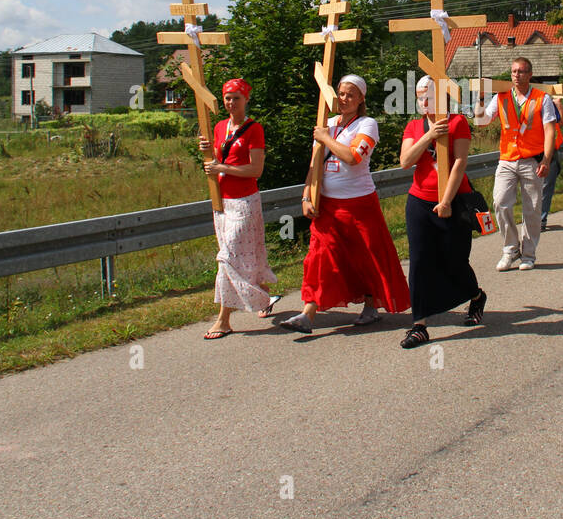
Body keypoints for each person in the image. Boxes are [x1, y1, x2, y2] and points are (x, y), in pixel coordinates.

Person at [283, 74, 409, 333]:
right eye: (341, 93)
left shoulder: (368, 124)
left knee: (367, 256)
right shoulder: (326, 123)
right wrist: (306, 195)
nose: (344, 98)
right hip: (327, 205)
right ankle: (308, 313)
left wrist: (325, 138)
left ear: (361, 98)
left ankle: (371, 305)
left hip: (360, 205)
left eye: (351, 94)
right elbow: (314, 164)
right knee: (319, 255)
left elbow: (353, 157)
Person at [397, 75, 486, 349]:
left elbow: (459, 163)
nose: (425, 101)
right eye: (420, 96)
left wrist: (446, 201)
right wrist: (429, 135)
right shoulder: (414, 127)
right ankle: (420, 325)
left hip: (453, 202)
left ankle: (475, 295)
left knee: (454, 260)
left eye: (430, 96)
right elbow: (405, 162)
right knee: (420, 262)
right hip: (419, 201)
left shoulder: (458, 122)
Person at [198, 78, 279, 339]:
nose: (231, 103)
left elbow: (256, 170)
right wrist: (207, 151)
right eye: (227, 98)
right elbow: (217, 158)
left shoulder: (254, 129)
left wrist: (222, 168)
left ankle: (224, 319)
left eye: (236, 98)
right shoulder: (220, 127)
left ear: (246, 100)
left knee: (229, 256)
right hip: (221, 202)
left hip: (244, 201)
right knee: (247, 249)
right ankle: (263, 295)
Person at [474, 56, 559, 271]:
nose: (516, 75)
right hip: (507, 159)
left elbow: (550, 130)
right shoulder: (501, 96)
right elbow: (481, 121)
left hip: (532, 160)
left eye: (521, 71)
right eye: (513, 71)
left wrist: (547, 159)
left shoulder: (542, 98)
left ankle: (528, 254)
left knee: (532, 209)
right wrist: (481, 98)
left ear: (529, 75)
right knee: (500, 202)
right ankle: (510, 249)